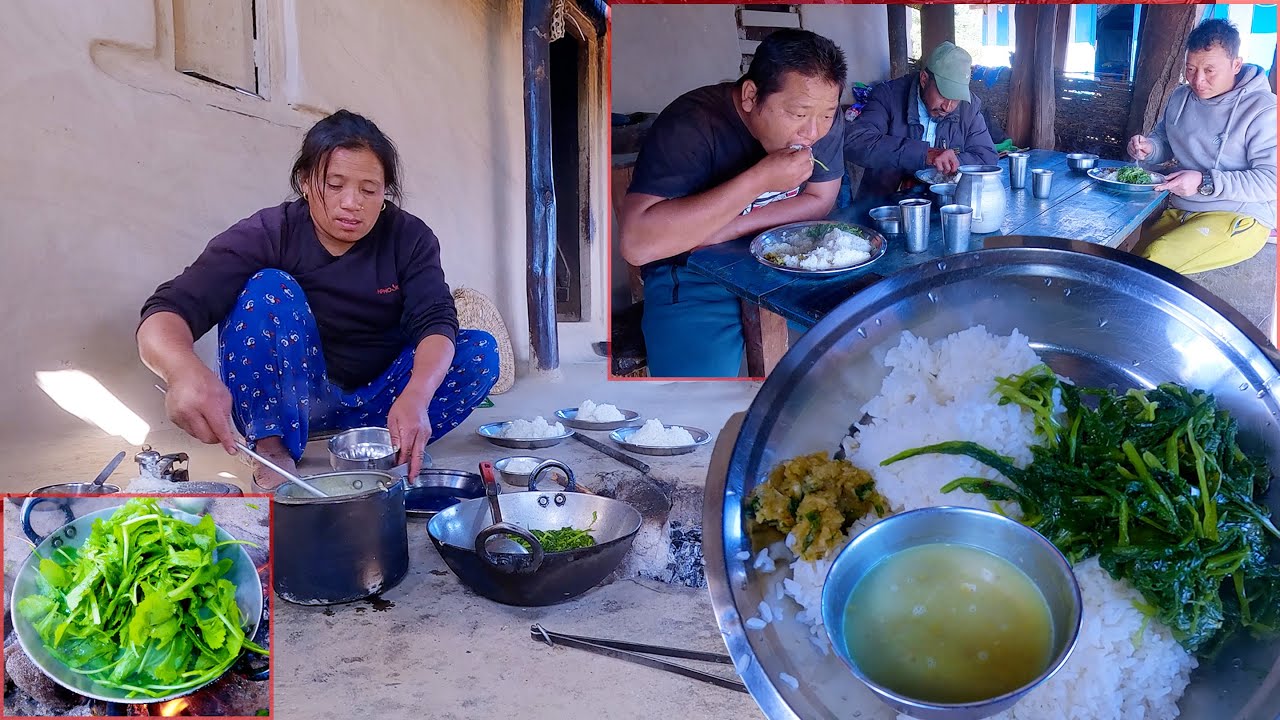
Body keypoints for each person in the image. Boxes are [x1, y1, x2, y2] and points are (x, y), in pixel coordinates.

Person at [137, 110, 499, 489]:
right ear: (306, 182)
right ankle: (273, 448)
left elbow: (435, 320)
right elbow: (168, 311)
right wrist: (181, 371)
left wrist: (417, 396)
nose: (351, 203)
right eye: (335, 185)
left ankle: (390, 440)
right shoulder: (270, 232)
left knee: (479, 353)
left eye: (369, 190)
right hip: (299, 400)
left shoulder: (409, 237)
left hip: (385, 398)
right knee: (267, 288)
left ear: (385, 193)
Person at [617, 28, 847, 378]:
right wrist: (759, 180)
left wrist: (730, 228)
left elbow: (820, 198)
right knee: (694, 397)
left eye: (827, 115)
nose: (813, 132)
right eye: (798, 114)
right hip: (692, 271)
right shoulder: (691, 124)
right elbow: (637, 245)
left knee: (845, 353)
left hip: (784, 260)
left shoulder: (818, 118)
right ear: (751, 96)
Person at [1128, 18, 1277, 275]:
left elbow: (1272, 180)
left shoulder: (1264, 109)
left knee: (1150, 264)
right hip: (1183, 207)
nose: (1198, 80)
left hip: (1239, 214)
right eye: (1190, 69)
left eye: (1209, 70)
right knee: (1124, 263)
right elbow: (1165, 140)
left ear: (1236, 65)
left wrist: (1205, 181)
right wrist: (1149, 148)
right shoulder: (1180, 98)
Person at [845, 42, 998, 197]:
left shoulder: (968, 107)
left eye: (956, 99)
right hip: (883, 201)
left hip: (943, 202)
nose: (948, 107)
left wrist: (953, 162)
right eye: (943, 94)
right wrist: (924, 154)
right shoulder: (888, 96)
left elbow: (986, 157)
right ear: (924, 79)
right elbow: (855, 141)